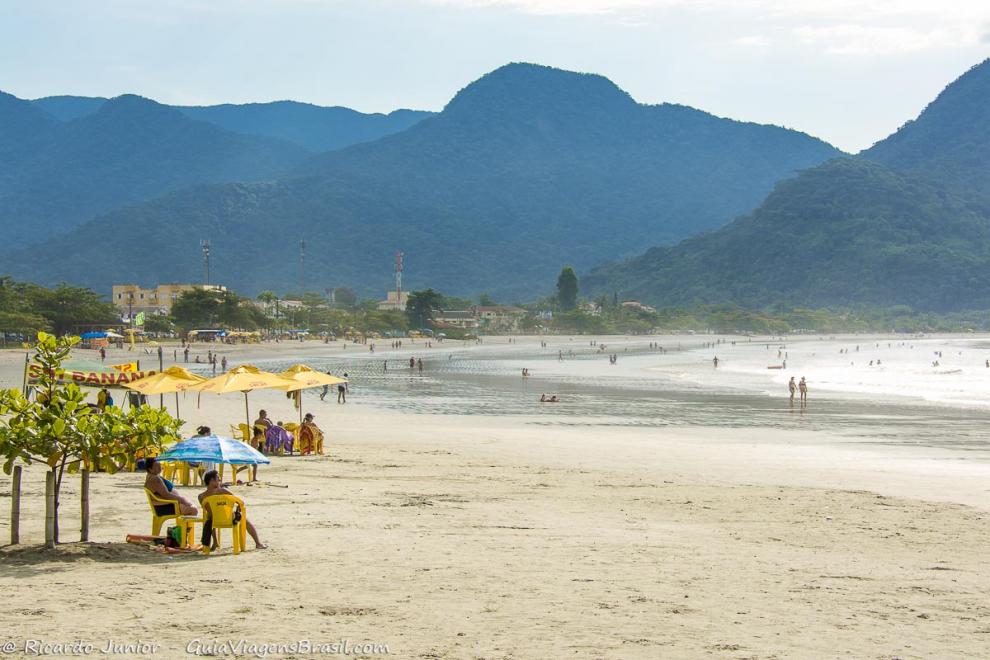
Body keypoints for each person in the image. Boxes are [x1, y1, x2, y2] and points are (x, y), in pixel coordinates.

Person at [198, 470, 265, 550]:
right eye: (218, 479)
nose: (220, 481)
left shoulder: (201, 496)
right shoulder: (222, 491)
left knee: (210, 517)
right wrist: (238, 508)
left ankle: (215, 542)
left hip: (213, 521)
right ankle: (258, 543)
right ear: (212, 480)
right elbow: (240, 502)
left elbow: (209, 511)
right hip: (228, 519)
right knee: (245, 519)